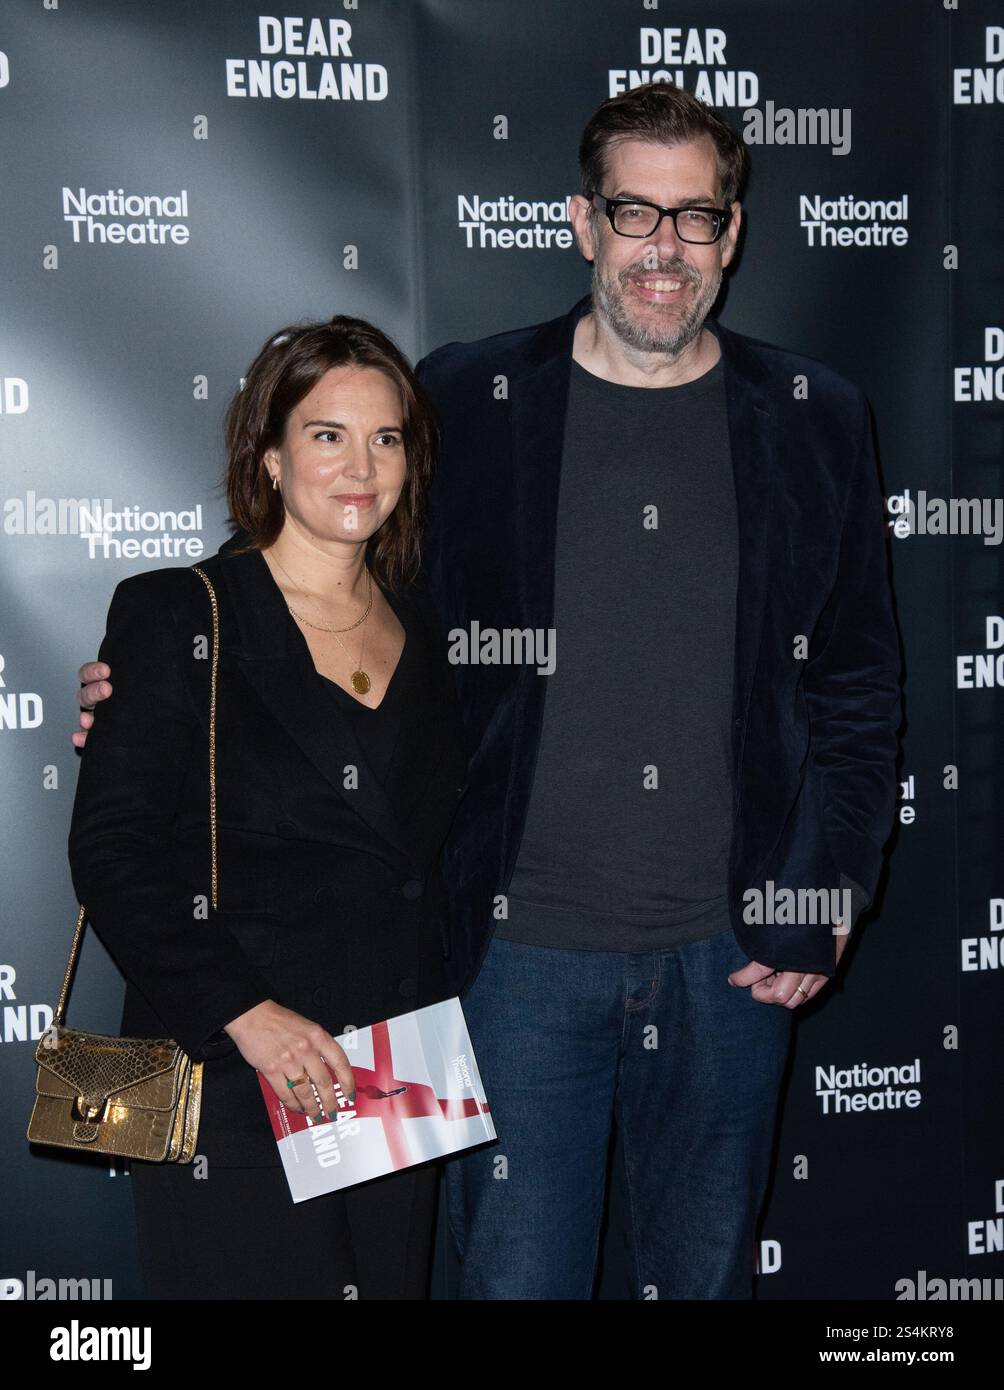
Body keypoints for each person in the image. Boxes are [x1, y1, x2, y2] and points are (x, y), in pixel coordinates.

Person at [77, 83, 903, 1301]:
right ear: (581, 223)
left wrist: (829, 889)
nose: (662, 247)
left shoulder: (814, 417)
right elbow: (334, 591)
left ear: (731, 234)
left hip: (729, 959)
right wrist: (142, 690)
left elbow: (854, 679)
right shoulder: (466, 400)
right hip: (500, 966)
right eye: (633, 211)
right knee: (500, 1284)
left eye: (694, 216)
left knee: (705, 1276)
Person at [67, 316, 470, 1300]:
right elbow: (113, 851)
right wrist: (247, 1015)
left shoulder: (430, 626)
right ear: (270, 454)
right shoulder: (178, 611)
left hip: (388, 1060)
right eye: (328, 434)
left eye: (387, 438)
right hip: (225, 1067)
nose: (360, 466)